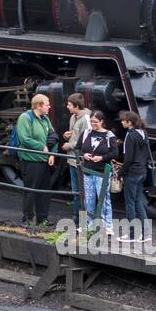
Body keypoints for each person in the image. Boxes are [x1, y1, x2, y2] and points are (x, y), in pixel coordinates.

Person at [13, 93, 57, 227]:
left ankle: (42, 219)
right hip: (30, 161)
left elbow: (53, 135)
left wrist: (52, 154)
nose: (49, 107)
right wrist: (41, 146)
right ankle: (27, 218)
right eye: (47, 104)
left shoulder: (45, 119)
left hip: (44, 160)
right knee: (31, 189)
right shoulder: (25, 118)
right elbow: (24, 138)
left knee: (45, 190)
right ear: (38, 105)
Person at [78, 110, 117, 236]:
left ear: (101, 121)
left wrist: (101, 158)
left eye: (95, 122)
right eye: (91, 121)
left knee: (104, 198)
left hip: (102, 172)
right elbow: (78, 148)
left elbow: (115, 153)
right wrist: (84, 155)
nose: (93, 124)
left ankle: (108, 225)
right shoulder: (86, 133)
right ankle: (89, 223)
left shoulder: (109, 135)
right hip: (88, 171)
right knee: (88, 199)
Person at [116, 111, 151, 243]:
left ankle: (132, 235)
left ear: (129, 122)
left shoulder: (130, 136)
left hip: (132, 173)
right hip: (142, 171)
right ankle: (145, 234)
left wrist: (120, 173)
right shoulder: (143, 133)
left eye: (123, 120)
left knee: (130, 203)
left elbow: (128, 158)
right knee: (138, 203)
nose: (121, 122)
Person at [60, 93, 91, 229]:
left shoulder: (86, 119)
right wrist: (68, 135)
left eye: (69, 105)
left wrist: (70, 145)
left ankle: (81, 217)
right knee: (75, 189)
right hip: (72, 159)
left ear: (77, 107)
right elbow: (76, 135)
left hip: (80, 160)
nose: (67, 107)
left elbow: (86, 139)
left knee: (82, 190)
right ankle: (77, 215)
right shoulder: (73, 117)